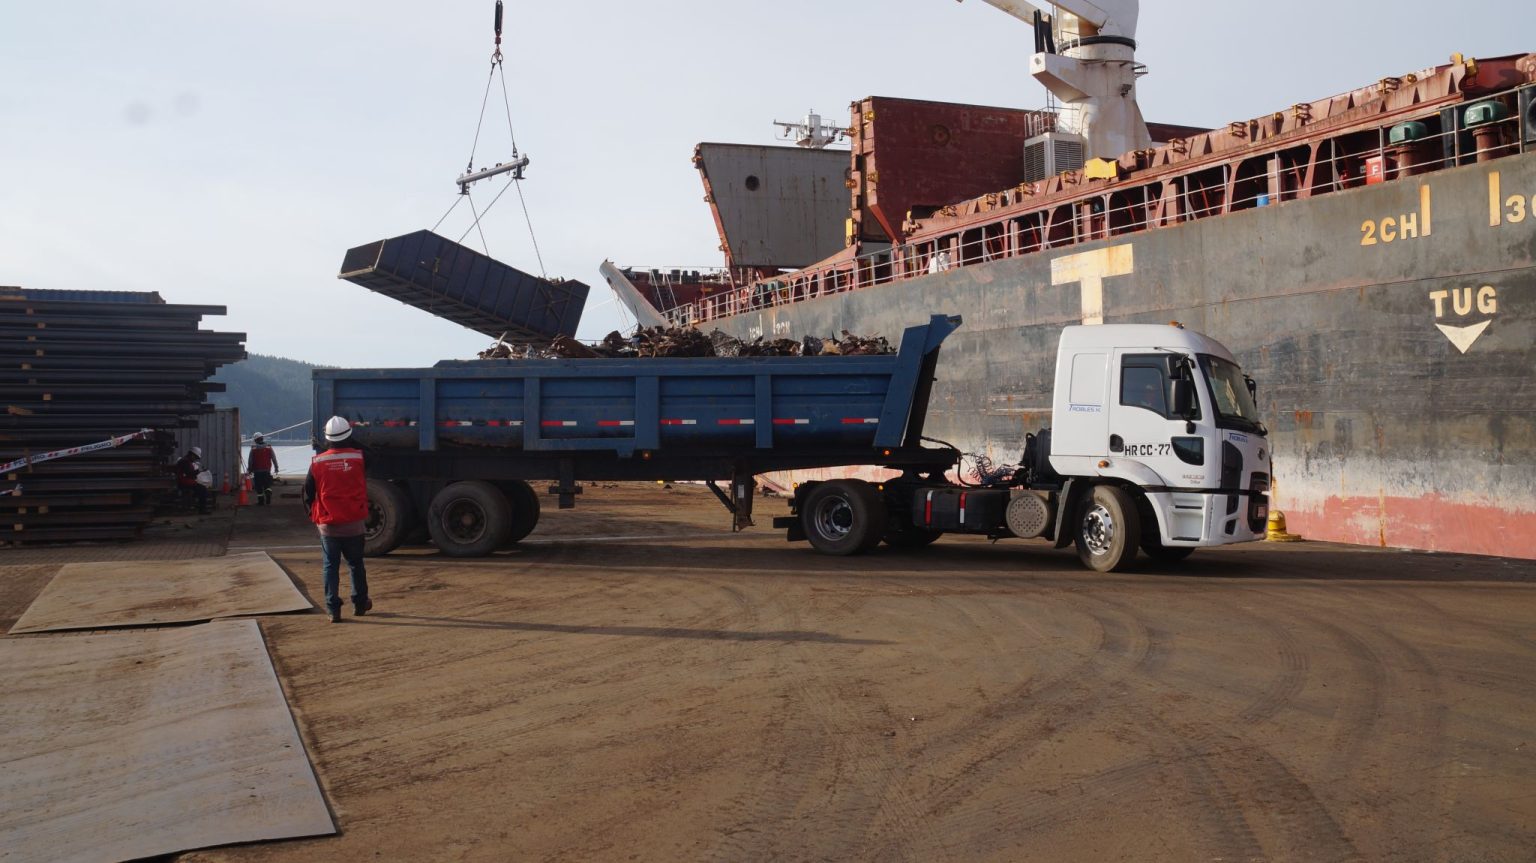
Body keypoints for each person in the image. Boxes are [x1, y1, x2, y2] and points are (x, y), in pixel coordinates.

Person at [302, 416, 372, 623]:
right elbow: (375, 455)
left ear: (327, 438)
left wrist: (313, 514)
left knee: (330, 566)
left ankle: (333, 609)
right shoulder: (360, 458)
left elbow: (308, 492)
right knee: (356, 564)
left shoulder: (317, 462)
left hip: (328, 525)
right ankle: (360, 604)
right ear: (348, 436)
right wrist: (351, 440)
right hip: (353, 524)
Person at [247, 434, 280, 506]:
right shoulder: (269, 447)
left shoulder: (253, 449)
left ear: (255, 440)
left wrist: (249, 469)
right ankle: (268, 495)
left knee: (259, 487)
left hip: (257, 471)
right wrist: (276, 468)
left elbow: (250, 460)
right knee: (267, 485)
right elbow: (274, 458)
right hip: (267, 470)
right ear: (262, 438)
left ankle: (261, 502)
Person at [175, 446, 209, 514]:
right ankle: (202, 510)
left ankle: (192, 504)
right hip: (184, 482)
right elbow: (189, 474)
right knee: (203, 489)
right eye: (195, 457)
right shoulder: (185, 462)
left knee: (200, 489)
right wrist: (198, 471)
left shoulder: (184, 460)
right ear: (192, 455)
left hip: (184, 482)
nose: (195, 459)